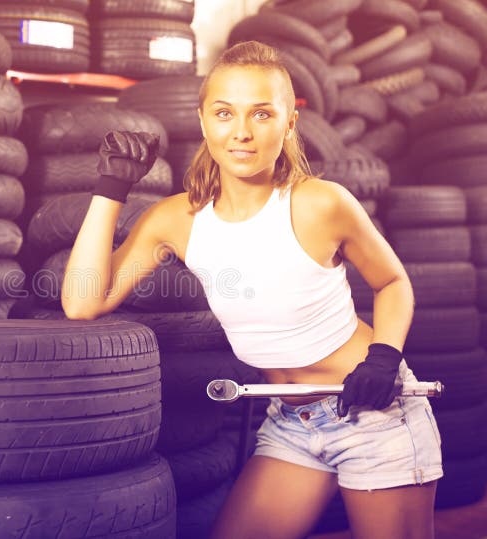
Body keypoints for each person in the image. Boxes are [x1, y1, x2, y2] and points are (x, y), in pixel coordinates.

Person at [60, 40, 443, 539]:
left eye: (261, 114)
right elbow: (82, 302)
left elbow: (392, 282)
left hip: (376, 413)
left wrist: (384, 357)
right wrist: (109, 191)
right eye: (224, 113)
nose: (241, 131)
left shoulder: (320, 204)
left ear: (289, 124)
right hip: (291, 422)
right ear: (203, 121)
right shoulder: (177, 218)